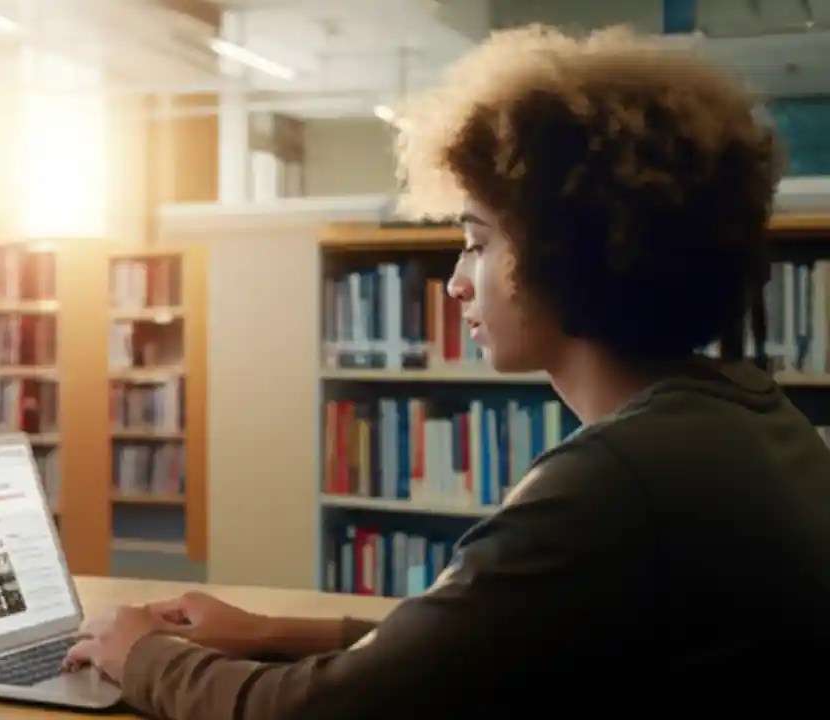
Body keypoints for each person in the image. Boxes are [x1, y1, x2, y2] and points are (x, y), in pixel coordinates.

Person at [63, 23, 830, 717]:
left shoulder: (618, 478)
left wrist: (141, 654)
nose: (458, 281)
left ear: (569, 255)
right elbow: (477, 646)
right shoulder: (748, 419)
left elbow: (320, 717)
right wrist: (271, 632)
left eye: (479, 242)